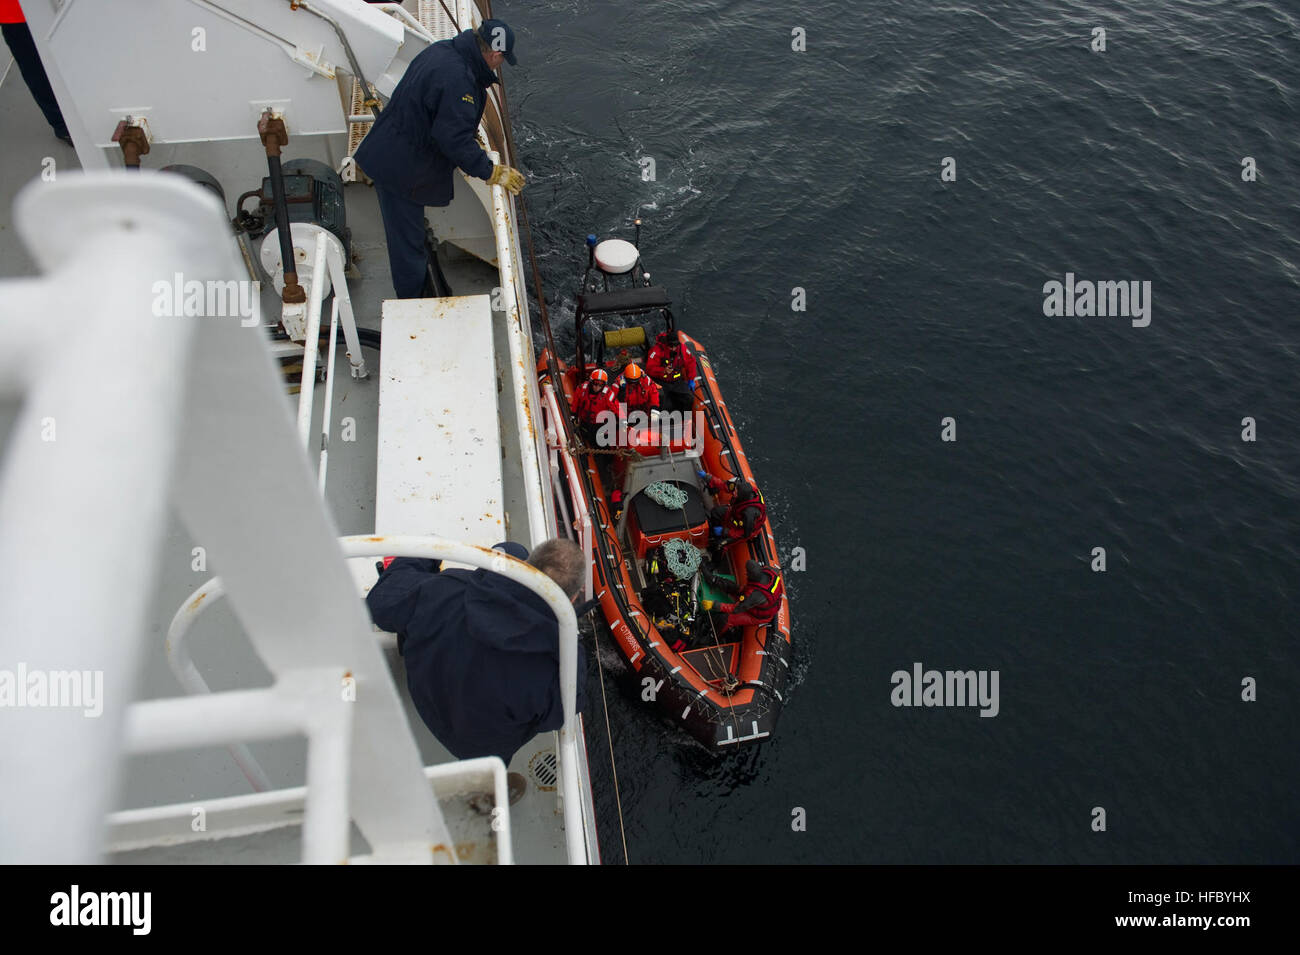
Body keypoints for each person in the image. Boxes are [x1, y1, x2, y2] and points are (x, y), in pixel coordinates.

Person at [365, 538, 588, 782]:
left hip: (426, 701)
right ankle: (484, 788)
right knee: (492, 759)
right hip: (478, 749)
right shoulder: (562, 660)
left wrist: (425, 554)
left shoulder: (445, 590)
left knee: (512, 548)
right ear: (573, 598)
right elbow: (557, 716)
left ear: (528, 566)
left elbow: (380, 603)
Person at [353, 18, 527, 298]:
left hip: (393, 150)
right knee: (407, 247)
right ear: (496, 54)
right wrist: (491, 171)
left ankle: (416, 287)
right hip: (401, 171)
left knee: (408, 236)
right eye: (503, 60)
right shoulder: (460, 80)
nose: (500, 65)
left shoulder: (444, 50)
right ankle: (412, 304)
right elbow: (454, 139)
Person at [1, 1, 72, 146]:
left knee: (70, 57)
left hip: (52, 6)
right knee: (36, 72)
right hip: (14, 13)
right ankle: (62, 125)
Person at [700, 559, 784, 635]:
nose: (746, 574)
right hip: (753, 599)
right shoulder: (770, 571)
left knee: (726, 619)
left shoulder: (756, 595)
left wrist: (715, 605)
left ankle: (713, 635)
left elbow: (737, 609)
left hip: (755, 615)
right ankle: (712, 579)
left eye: (747, 573)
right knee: (732, 587)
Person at [697, 470, 766, 544]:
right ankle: (713, 531)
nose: (733, 492)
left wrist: (724, 532)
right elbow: (723, 485)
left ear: (742, 496)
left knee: (719, 545)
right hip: (734, 513)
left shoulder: (749, 514)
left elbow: (744, 533)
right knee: (716, 512)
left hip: (744, 528)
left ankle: (717, 541)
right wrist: (707, 477)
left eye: (736, 492)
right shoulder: (740, 489)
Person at [645, 330, 698, 413]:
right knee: (659, 400)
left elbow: (691, 362)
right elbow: (649, 369)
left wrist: (691, 379)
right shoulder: (657, 351)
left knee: (689, 398)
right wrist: (663, 370)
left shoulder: (682, 349)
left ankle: (685, 420)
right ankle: (659, 421)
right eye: (671, 346)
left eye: (675, 346)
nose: (673, 348)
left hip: (676, 381)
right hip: (660, 381)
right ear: (667, 343)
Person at [570, 367, 618, 445]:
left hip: (600, 425)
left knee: (601, 445)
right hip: (584, 422)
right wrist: (573, 415)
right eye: (595, 383)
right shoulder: (582, 389)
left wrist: (623, 421)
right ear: (591, 382)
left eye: (600, 384)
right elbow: (575, 403)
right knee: (585, 440)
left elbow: (617, 408)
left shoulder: (608, 394)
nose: (597, 387)